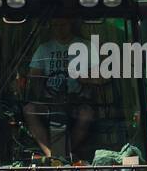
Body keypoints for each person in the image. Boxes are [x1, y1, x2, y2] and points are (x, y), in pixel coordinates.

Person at [22, 17, 97, 158]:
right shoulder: (44, 49)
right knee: (29, 110)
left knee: (86, 115)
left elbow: (100, 74)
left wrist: (85, 78)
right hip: (49, 101)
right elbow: (34, 76)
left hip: (77, 100)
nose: (59, 28)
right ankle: (51, 155)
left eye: (63, 23)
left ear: (71, 24)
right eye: (55, 24)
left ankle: (64, 154)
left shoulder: (86, 46)